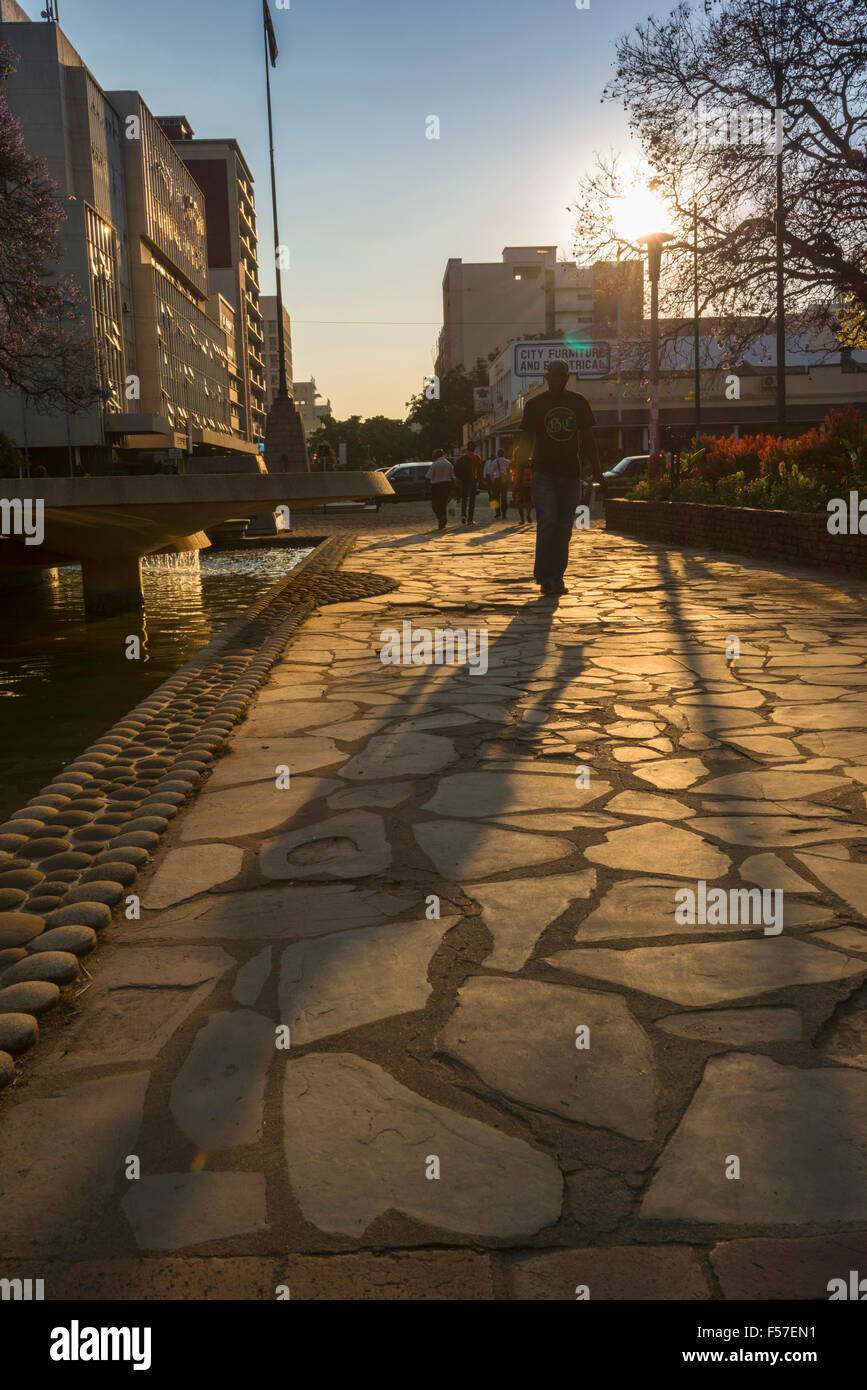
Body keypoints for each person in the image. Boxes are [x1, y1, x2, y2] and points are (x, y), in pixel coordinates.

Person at [512, 358, 602, 597]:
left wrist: (598, 470)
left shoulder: (578, 403)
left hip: (571, 474)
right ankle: (545, 578)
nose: (556, 379)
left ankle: (557, 577)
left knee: (564, 529)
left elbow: (589, 440)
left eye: (561, 375)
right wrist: (518, 477)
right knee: (548, 522)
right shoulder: (535, 405)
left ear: (567, 377)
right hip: (543, 473)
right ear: (546, 376)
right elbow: (525, 443)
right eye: (553, 374)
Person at [426, 448, 456, 530]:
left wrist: (426, 488)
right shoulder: (449, 464)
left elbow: (428, 477)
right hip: (447, 485)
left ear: (437, 455)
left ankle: (440, 517)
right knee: (443, 504)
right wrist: (453, 489)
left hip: (436, 486)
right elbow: (453, 477)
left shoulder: (435, 464)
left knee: (435, 505)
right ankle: (443, 522)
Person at [454, 441, 482, 525]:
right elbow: (479, 470)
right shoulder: (477, 457)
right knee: (472, 500)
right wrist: (479, 481)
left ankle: (463, 516)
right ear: (474, 448)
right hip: (473, 480)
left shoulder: (463, 457)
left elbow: (456, 468)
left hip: (464, 480)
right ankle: (470, 519)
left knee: (464, 498)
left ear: (467, 448)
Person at [483, 452, 510, 518]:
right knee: (504, 498)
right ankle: (504, 513)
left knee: (496, 497)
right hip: (504, 480)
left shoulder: (494, 462)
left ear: (497, 455)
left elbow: (492, 473)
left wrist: (492, 481)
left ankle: (497, 512)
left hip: (497, 480)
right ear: (504, 454)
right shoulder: (508, 461)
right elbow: (510, 471)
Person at [510, 453, 533, 524]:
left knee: (519, 501)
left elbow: (516, 475)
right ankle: (528, 514)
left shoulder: (516, 464)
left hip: (520, 485)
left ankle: (522, 519)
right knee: (528, 501)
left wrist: (514, 486)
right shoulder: (530, 462)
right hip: (529, 483)